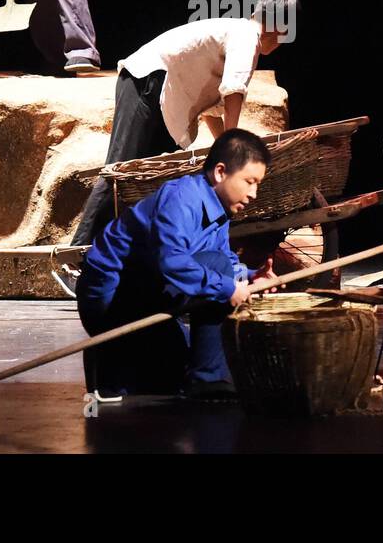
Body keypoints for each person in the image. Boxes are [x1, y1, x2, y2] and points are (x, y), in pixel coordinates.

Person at [71, 0, 299, 250]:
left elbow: (213, 108)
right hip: (147, 80)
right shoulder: (246, 35)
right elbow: (233, 91)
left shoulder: (240, 34)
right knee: (119, 173)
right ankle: (77, 256)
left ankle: (127, 258)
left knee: (153, 182)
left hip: (164, 96)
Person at [75, 129, 279, 401]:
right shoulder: (182, 199)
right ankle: (207, 379)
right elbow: (172, 261)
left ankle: (112, 359)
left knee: (173, 371)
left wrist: (251, 279)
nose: (254, 193)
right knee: (217, 275)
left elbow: (222, 261)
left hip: (149, 290)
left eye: (259, 184)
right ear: (220, 172)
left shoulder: (220, 209)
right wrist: (228, 287)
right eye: (249, 181)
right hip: (111, 299)